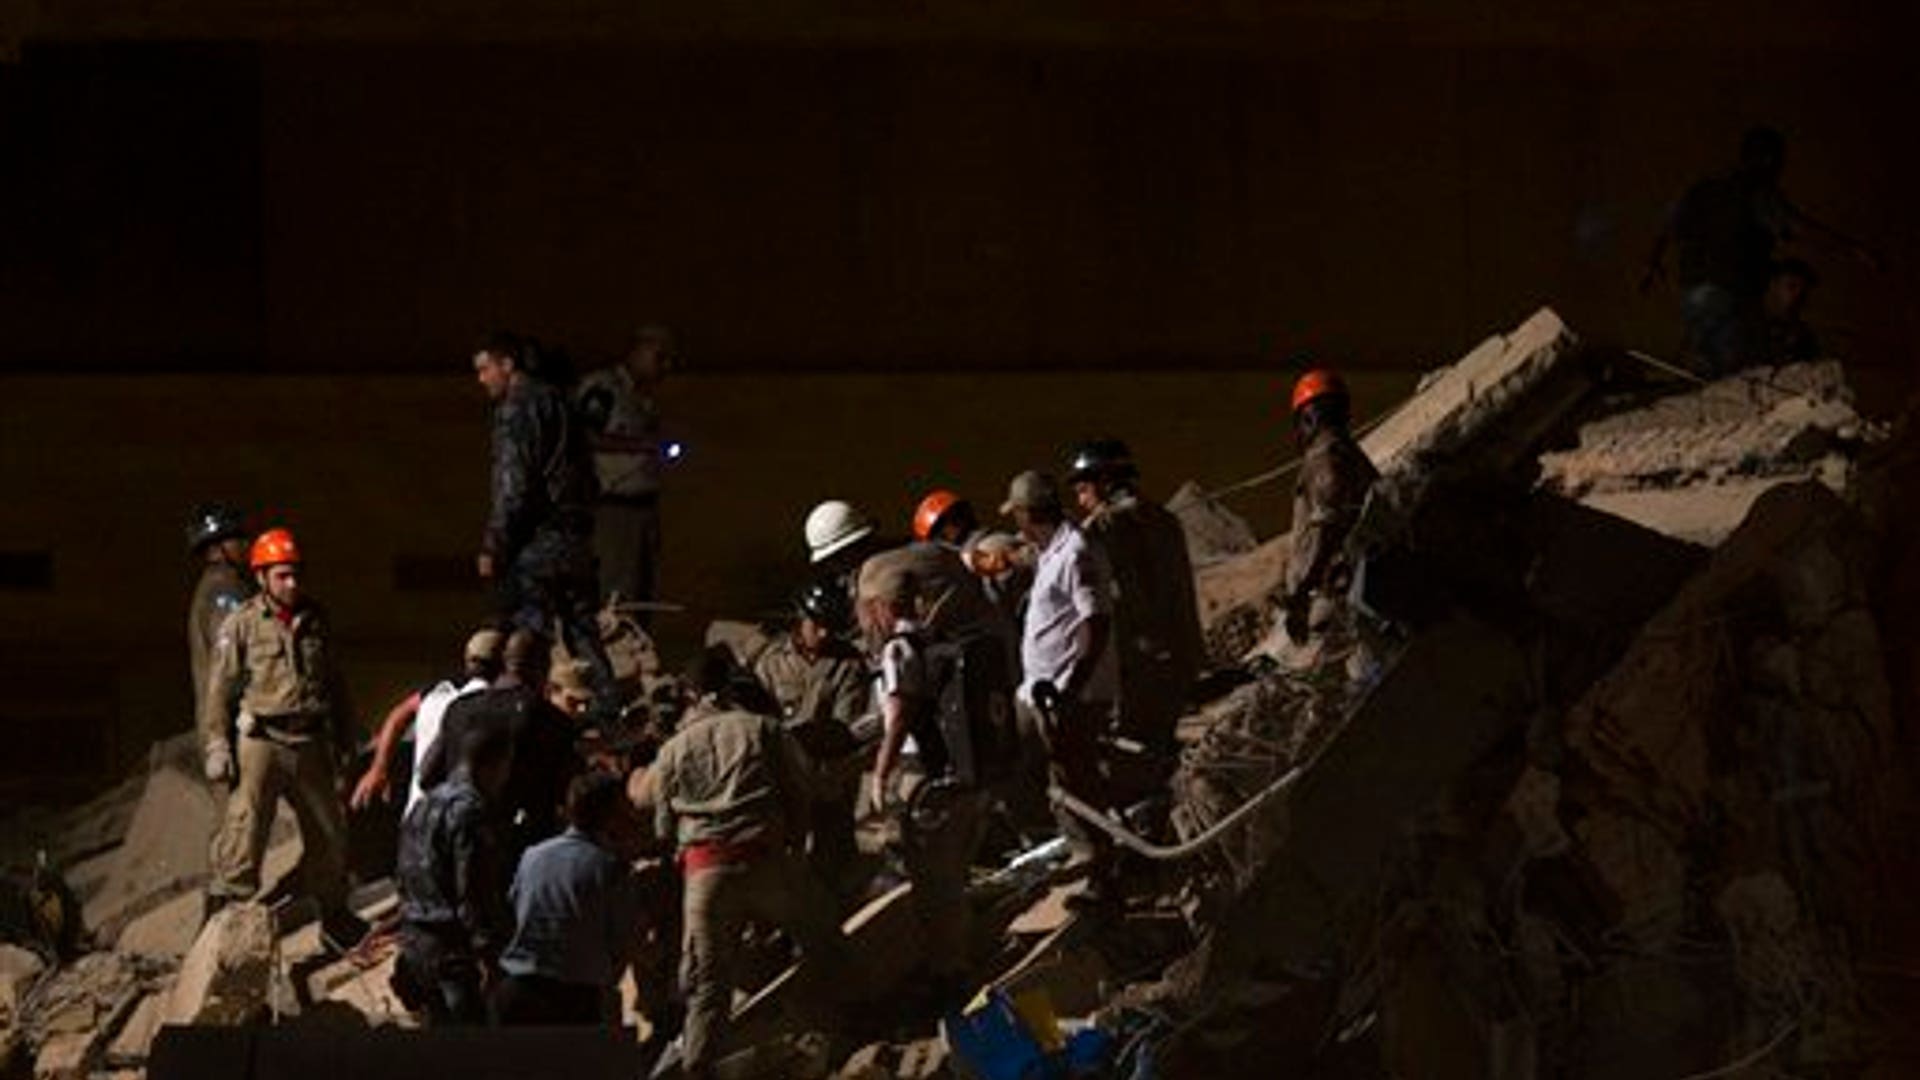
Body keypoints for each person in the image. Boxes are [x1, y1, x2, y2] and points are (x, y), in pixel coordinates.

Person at [651, 655, 847, 1078]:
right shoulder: (764, 730)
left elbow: (663, 828)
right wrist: (795, 840)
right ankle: (840, 1033)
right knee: (824, 935)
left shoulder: (670, 751)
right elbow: (802, 791)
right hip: (766, 862)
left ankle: (696, 1068)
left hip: (704, 875)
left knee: (708, 987)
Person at [200, 528, 366, 950]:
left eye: (295, 575)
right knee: (246, 827)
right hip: (263, 742)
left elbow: (336, 683)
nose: (291, 584)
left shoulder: (316, 621)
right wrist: (217, 744)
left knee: (328, 832)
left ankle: (334, 916)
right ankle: (226, 923)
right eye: (281, 576)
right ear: (261, 578)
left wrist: (350, 737)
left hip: (309, 742)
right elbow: (218, 690)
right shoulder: (242, 624)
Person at [858, 551, 994, 1005]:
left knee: (933, 883)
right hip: (958, 775)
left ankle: (948, 976)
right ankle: (961, 958)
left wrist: (881, 771)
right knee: (954, 874)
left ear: (881, 606)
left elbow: (900, 714)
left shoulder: (898, 651)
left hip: (923, 778)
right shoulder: (939, 638)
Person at [1641, 126, 1878, 374]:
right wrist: (1852, 249)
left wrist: (1652, 261)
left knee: (1708, 347)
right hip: (1731, 289)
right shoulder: (1756, 192)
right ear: (1768, 159)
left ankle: (1698, 372)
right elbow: (1799, 227)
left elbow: (1668, 225)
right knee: (1731, 362)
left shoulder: (1702, 188)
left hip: (1694, 287)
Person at [471, 331, 619, 723]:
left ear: (508, 365)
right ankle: (606, 711)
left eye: (485, 368)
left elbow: (514, 485)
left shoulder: (517, 408)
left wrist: (495, 544)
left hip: (538, 543)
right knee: (583, 631)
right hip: (576, 540)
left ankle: (520, 715)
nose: (481, 379)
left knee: (526, 636)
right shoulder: (562, 403)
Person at [1002, 471, 1122, 910]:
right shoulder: (1051, 551)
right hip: (1041, 693)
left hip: (1071, 696)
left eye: (1016, 515)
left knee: (1077, 783)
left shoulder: (1077, 553)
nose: (1015, 524)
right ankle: (1076, 855)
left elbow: (1096, 622)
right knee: (1056, 776)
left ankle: (1100, 878)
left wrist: (1071, 688)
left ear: (1028, 513)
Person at [1066, 440, 1204, 760]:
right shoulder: (1167, 520)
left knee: (1135, 759)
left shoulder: (1103, 526)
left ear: (1103, 483)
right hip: (1180, 657)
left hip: (1140, 664)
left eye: (1083, 489)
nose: (1080, 499)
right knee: (1164, 744)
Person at [494, 771, 648, 1026]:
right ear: (612, 815)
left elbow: (513, 912)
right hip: (575, 1003)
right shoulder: (609, 868)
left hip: (517, 990)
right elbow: (623, 941)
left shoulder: (532, 856)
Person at [421, 629, 582, 867]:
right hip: (520, 850)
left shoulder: (459, 708)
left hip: (454, 841)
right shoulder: (550, 720)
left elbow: (426, 776)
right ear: (543, 667)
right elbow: (567, 793)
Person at [751, 581, 870, 896]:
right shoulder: (771, 661)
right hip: (782, 773)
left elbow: (845, 726)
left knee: (831, 852)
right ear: (800, 619)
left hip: (827, 773)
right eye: (817, 626)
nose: (824, 635)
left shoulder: (848, 664)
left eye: (831, 628)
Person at [394, 724, 515, 1026]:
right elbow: (472, 892)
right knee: (470, 1045)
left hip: (414, 945)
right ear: (491, 765)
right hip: (450, 952)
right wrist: (490, 955)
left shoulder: (422, 804)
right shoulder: (471, 811)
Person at [1281, 370, 1380, 669]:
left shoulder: (1325, 459)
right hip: (1355, 591)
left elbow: (1330, 527)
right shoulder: (1353, 457)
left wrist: (1301, 594)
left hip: (1335, 598)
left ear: (1308, 418)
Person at [350, 628, 505, 815]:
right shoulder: (495, 702)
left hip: (417, 813)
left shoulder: (437, 691)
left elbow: (399, 714)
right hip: (457, 818)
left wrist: (378, 768)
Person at [576, 326, 675, 613]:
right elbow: (583, 437)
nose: (664, 367)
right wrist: (641, 446)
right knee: (616, 589)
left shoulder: (642, 398)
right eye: (659, 357)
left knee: (640, 588)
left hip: (642, 506)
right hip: (612, 505)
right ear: (639, 351)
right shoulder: (605, 389)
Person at [185, 504, 255, 791]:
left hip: (226, 727)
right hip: (237, 729)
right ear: (218, 548)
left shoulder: (213, 588)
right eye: (239, 539)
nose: (247, 546)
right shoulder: (226, 592)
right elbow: (229, 665)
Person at [1760, 257, 1822, 365]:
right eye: (1791, 287)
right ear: (1774, 285)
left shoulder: (1804, 337)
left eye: (1803, 293)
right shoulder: (1743, 325)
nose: (1796, 297)